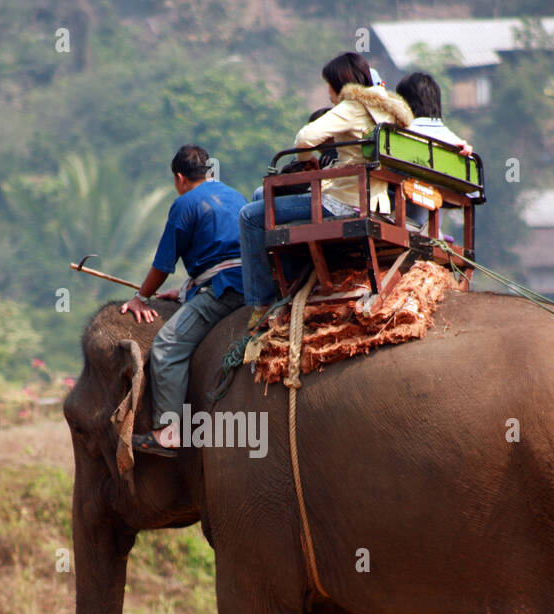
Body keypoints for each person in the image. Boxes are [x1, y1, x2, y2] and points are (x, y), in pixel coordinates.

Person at [237, 52, 412, 322]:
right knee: (268, 206)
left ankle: (261, 302)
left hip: (341, 204)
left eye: (328, 86)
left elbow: (305, 137)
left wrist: (307, 163)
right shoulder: (389, 111)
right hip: (378, 204)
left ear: (339, 84)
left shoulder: (352, 106)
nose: (328, 94)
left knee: (250, 215)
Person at [122, 144, 246, 457]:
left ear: (179, 178)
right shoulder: (234, 195)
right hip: (253, 285)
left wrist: (140, 298)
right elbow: (225, 255)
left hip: (224, 292)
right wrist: (183, 292)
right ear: (209, 172)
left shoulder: (185, 203)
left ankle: (166, 434)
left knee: (167, 346)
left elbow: (164, 265)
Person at [393, 72, 474, 233]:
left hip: (401, 224)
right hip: (433, 230)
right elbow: (471, 194)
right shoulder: (458, 145)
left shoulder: (401, 136)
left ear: (406, 104)